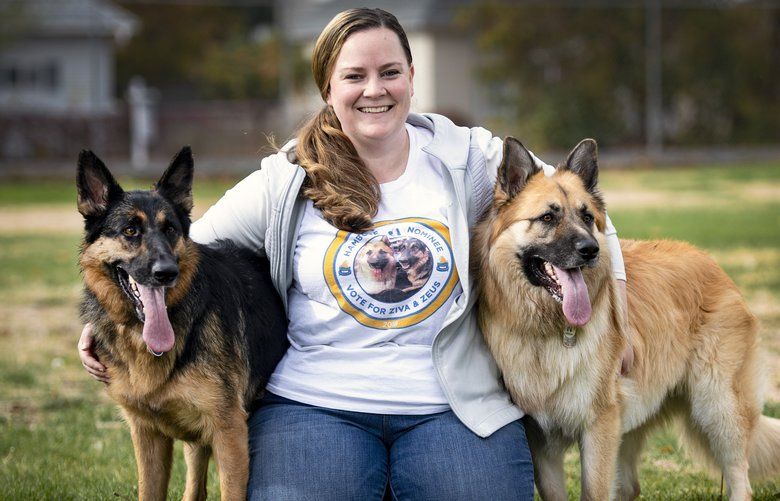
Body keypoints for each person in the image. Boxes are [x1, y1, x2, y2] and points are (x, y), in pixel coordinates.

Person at [79, 8, 629, 500]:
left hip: (450, 406)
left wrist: (621, 320)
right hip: (314, 404)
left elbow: (584, 212)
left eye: (390, 72)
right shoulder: (288, 177)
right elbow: (183, 250)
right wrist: (112, 316)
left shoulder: (469, 156)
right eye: (355, 76)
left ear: (412, 78)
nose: (375, 89)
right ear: (328, 87)